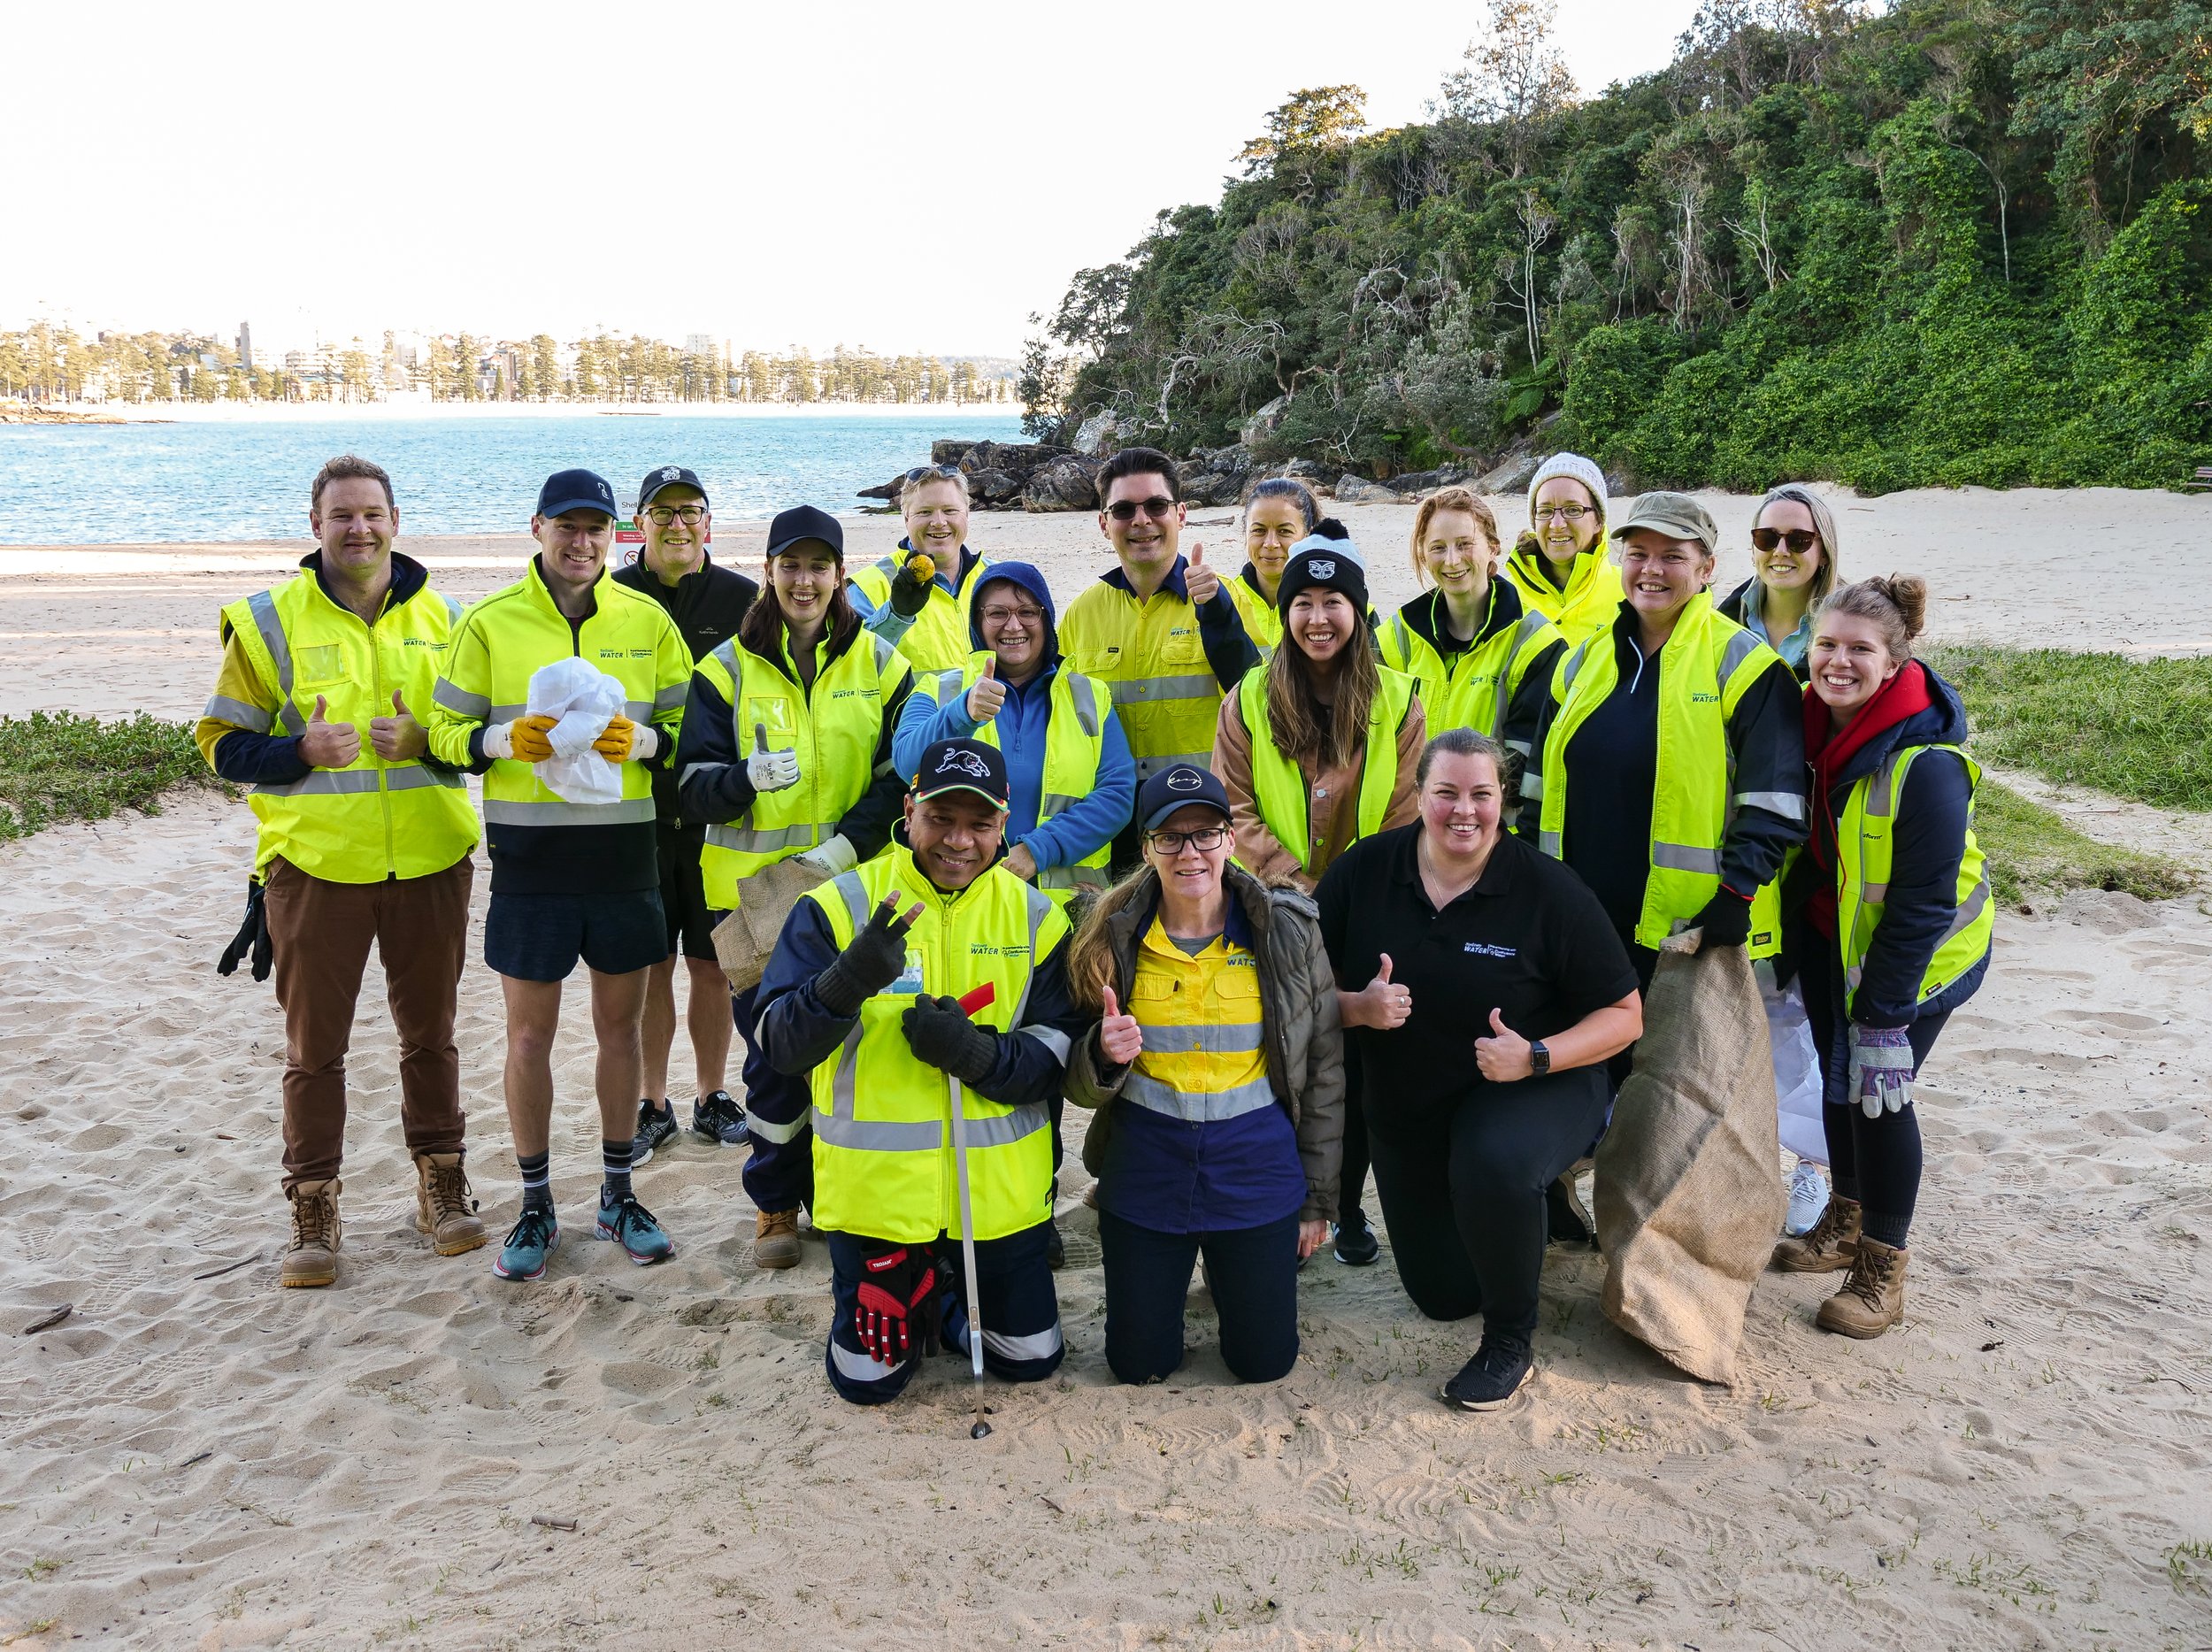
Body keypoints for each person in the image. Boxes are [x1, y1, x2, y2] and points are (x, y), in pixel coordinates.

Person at [196, 454, 482, 1287]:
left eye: (372, 513)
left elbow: (480, 742)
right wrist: (298, 750)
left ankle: (441, 1188)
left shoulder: (451, 619)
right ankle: (313, 1207)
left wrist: (429, 741)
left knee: (431, 1037)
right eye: (342, 515)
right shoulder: (267, 622)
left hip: (431, 860)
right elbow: (220, 744)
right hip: (315, 869)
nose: (359, 528)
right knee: (313, 1050)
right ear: (315, 524)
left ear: (396, 521)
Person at [756, 738, 1089, 1405]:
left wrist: (974, 1054)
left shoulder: (1039, 919)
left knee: (1031, 1360)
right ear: (909, 812)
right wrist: (847, 980)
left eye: (979, 823)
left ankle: (945, 1288)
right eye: (940, 818)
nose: (959, 841)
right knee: (868, 1382)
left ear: (1004, 824)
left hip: (997, 1204)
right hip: (876, 1202)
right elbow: (777, 1046)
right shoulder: (835, 906)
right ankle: (907, 1279)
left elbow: (1056, 1058)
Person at [1317, 730, 1642, 1409]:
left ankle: (1509, 1343)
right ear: (1418, 796)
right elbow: (1299, 992)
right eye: (1446, 793)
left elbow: (1625, 1015)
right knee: (1444, 1296)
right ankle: (1531, 1206)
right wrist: (1356, 1007)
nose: (1464, 810)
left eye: (1481, 794)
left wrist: (1536, 1055)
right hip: (1411, 1103)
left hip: (1537, 1082)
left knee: (1492, 1158)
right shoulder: (1364, 871)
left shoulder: (1548, 889)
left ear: (1503, 799)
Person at [426, 468, 691, 1281]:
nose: (582, 542)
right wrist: (498, 741)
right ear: (536, 527)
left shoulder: (647, 620)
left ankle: (618, 1195)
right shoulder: (490, 623)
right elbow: (442, 731)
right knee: (528, 1037)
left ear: (617, 534)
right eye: (566, 526)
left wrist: (649, 743)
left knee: (621, 1032)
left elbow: (690, 724)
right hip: (530, 861)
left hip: (624, 859)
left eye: (596, 528)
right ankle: (536, 1203)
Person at [675, 503, 915, 1270]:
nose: (804, 581)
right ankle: (776, 1200)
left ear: (841, 575)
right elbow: (690, 788)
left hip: (854, 889)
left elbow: (898, 778)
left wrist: (842, 850)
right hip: (754, 904)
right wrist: (742, 779)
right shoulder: (723, 671)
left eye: (818, 566)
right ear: (768, 571)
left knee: (853, 1052)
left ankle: (843, 1194)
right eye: (790, 566)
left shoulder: (882, 664)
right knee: (775, 1057)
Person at [1062, 765, 1345, 1385]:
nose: (1189, 852)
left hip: (1255, 1169)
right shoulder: (1110, 936)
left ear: (1230, 839)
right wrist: (1101, 1055)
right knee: (1138, 1365)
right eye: (1170, 836)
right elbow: (1075, 1084)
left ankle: (1232, 1269)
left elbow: (1324, 1069)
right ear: (1146, 848)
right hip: (1147, 1169)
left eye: (1206, 834)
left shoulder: (1287, 931)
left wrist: (1315, 1199)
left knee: (1263, 1363)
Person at [1772, 577, 1992, 1340]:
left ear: (1895, 662)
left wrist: (1886, 1016)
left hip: (1922, 956)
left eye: (1859, 649)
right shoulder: (1807, 726)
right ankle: (1845, 1218)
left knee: (1877, 1096)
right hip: (1837, 939)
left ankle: (1882, 1269)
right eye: (1826, 644)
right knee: (1839, 1086)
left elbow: (1924, 903)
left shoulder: (1926, 763)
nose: (1838, 661)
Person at [1213, 531, 1423, 1269]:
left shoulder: (1399, 701)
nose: (1318, 617)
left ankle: (1347, 1205)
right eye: (1302, 601)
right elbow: (1234, 812)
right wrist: (1300, 894)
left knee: (1357, 1070)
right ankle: (1286, 1204)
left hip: (1370, 912)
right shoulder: (1246, 699)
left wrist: (1343, 898)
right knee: (1285, 1063)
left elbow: (1403, 815)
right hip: (1273, 912)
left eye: (1334, 601)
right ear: (1285, 612)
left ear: (1358, 611)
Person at [1523, 491, 1807, 994]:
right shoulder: (1581, 661)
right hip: (1575, 922)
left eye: (1673, 556)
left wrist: (1735, 896)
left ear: (1706, 568)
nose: (1651, 570)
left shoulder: (1747, 666)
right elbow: (1537, 788)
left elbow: (1773, 801)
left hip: (1690, 936)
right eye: (1638, 554)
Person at [612, 465, 759, 1160]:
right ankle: (652, 1101)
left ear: (708, 521)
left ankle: (710, 1094)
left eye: (689, 511)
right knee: (650, 965)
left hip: (714, 818)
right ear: (638, 522)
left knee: (710, 963)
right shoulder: (611, 595)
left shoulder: (742, 599)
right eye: (662, 512)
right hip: (635, 814)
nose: (677, 524)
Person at [1059, 448, 1260, 843]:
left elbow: (1260, 697)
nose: (1141, 520)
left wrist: (1218, 614)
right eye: (1123, 510)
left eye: (1156, 505)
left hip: (1201, 814)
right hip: (1110, 820)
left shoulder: (1228, 598)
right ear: (1104, 523)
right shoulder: (1080, 614)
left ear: (1180, 515)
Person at [1379, 487, 1565, 760]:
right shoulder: (1396, 638)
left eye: (1464, 544)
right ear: (1423, 555)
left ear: (1493, 547)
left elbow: (1525, 759)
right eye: (1438, 548)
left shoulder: (1535, 643)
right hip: (1409, 790)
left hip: (1489, 790)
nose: (1452, 560)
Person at [847, 465, 994, 674]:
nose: (939, 522)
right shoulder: (867, 587)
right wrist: (896, 616)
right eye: (925, 512)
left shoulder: (996, 578)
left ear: (967, 514)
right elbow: (848, 667)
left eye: (950, 511)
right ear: (906, 518)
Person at [1717, 484, 1841, 681]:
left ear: (1825, 553)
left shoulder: (1855, 627)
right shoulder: (1721, 624)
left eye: (1799, 539)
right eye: (1766, 538)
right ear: (1753, 550)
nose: (1781, 551)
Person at [1502, 452, 1625, 649]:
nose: (1557, 524)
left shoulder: (1629, 593)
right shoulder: (1505, 596)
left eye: (1573, 510)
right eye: (1545, 511)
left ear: (1598, 521)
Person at [1222, 477, 1321, 661]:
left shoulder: (1340, 609)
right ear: (1246, 533)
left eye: (1284, 531)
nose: (1270, 543)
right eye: (1259, 530)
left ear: (1308, 536)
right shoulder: (1225, 603)